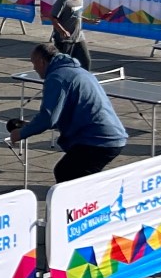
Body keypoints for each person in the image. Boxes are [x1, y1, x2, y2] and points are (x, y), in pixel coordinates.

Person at [9, 42, 127, 181]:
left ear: (42, 61)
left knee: (66, 173)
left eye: (34, 63)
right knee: (75, 176)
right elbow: (60, 114)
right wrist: (31, 125)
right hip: (110, 135)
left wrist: (21, 133)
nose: (34, 68)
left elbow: (48, 118)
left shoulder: (57, 78)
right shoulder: (78, 71)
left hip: (97, 139)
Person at [51, 0, 92, 68]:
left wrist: (89, 21)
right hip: (65, 40)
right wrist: (62, 31)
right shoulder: (63, 1)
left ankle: (84, 77)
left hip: (78, 38)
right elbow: (53, 18)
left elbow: (77, 16)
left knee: (86, 62)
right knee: (63, 64)